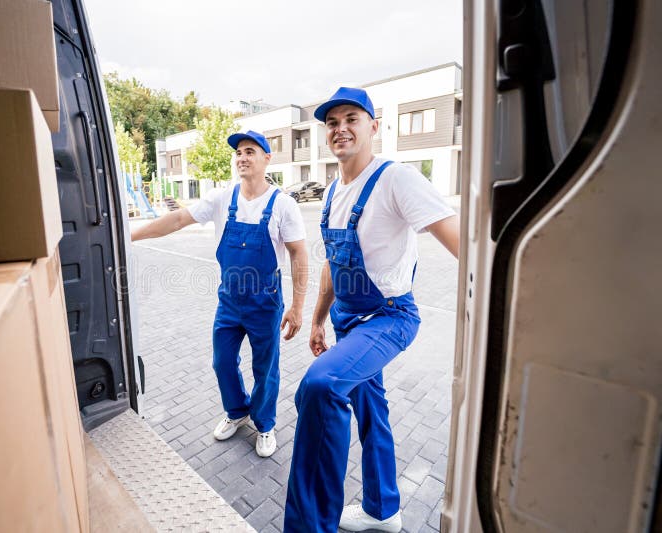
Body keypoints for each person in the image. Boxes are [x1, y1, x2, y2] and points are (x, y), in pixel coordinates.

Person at [283, 88, 459, 532]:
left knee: (321, 388)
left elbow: (465, 242)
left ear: (374, 127)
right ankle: (384, 510)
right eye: (332, 122)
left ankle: (310, 526)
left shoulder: (396, 179)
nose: (340, 128)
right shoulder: (331, 194)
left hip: (389, 318)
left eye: (352, 119)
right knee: (371, 411)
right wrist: (318, 319)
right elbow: (332, 264)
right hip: (346, 321)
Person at [131, 130, 308, 458]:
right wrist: (131, 236)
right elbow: (179, 219)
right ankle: (238, 410)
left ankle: (265, 424)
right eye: (239, 152)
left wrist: (297, 307)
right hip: (229, 299)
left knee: (265, 368)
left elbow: (299, 254)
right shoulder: (222, 198)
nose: (242, 157)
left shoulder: (283, 205)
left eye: (250, 151)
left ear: (267, 158)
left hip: (265, 302)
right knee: (222, 361)